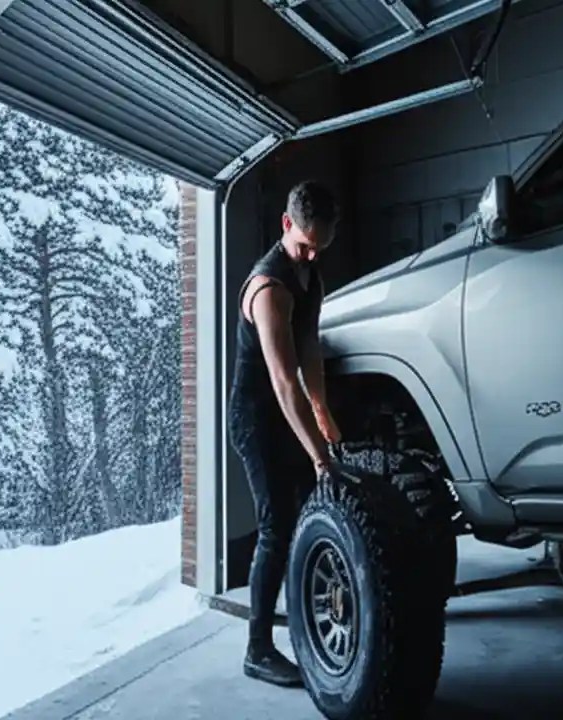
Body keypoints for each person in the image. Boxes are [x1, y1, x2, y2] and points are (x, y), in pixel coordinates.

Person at [228, 180, 343, 687]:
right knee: (276, 526)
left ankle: (301, 623)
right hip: (255, 416)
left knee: (302, 519)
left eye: (321, 243)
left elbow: (311, 348)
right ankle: (257, 650)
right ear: (285, 224)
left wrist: (323, 413)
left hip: (286, 412)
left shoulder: (309, 270)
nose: (313, 253)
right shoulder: (269, 289)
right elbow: (282, 381)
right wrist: (319, 456)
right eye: (304, 244)